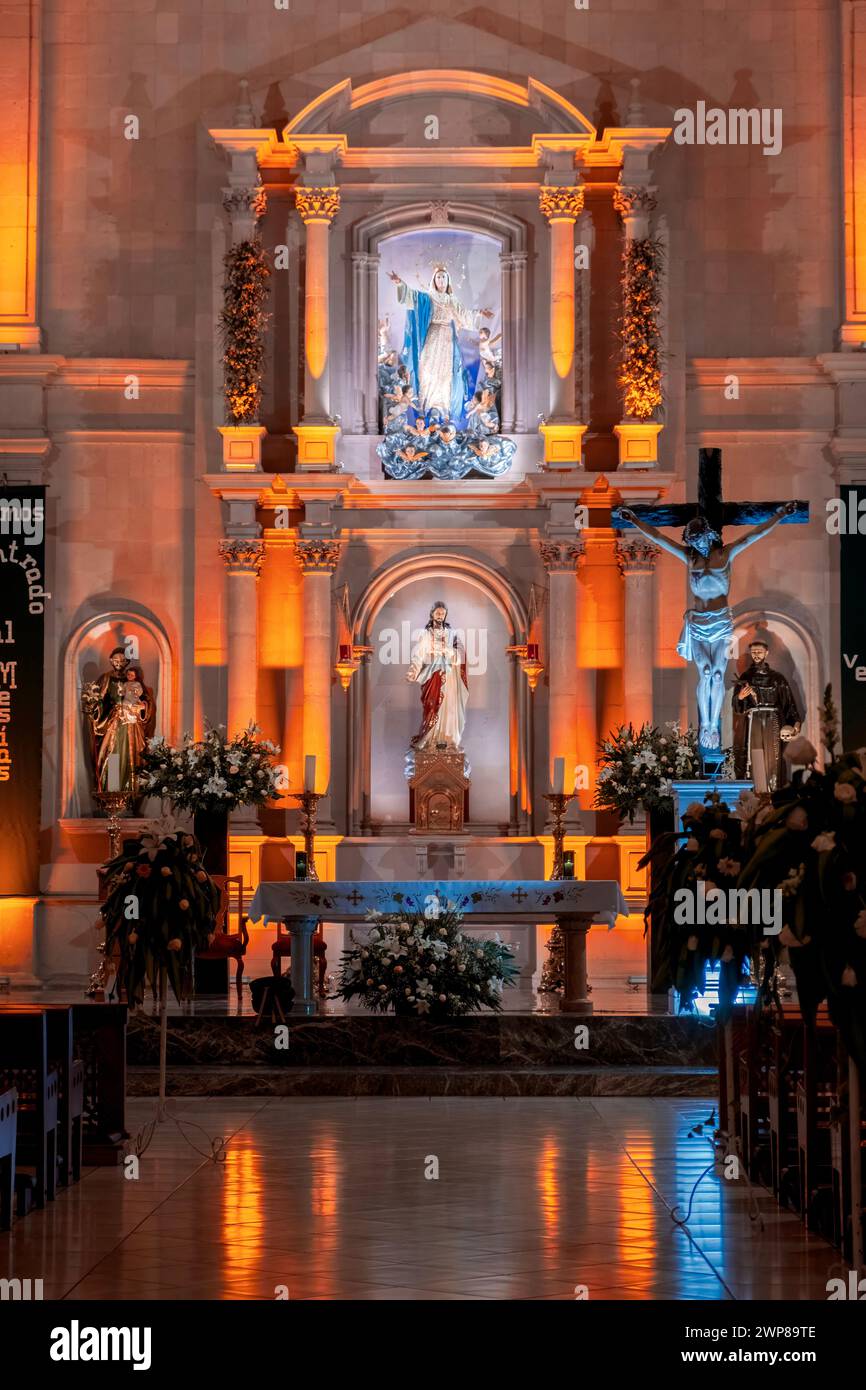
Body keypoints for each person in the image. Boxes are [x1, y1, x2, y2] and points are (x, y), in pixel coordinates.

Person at [617, 502, 797, 751]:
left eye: (700, 541)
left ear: (709, 536)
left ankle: (713, 721)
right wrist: (634, 521)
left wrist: (779, 515)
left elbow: (753, 535)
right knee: (705, 673)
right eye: (693, 542)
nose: (697, 546)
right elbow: (660, 538)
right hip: (698, 623)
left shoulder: (725, 554)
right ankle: (707, 726)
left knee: (716, 674)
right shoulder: (689, 557)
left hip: (721, 623)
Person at [387, 265, 493, 421]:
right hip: (432, 334)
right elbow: (413, 296)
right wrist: (399, 283)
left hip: (447, 339)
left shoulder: (452, 299)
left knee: (446, 373)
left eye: (444, 277)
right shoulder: (428, 297)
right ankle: (427, 407)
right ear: (434, 280)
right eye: (438, 277)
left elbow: (464, 314)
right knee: (427, 370)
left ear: (448, 280)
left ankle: (444, 409)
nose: (441, 280)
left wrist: (479, 312)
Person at [82, 647, 155, 794]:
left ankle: (130, 792)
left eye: (122, 660)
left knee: (131, 755)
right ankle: (113, 792)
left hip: (131, 724)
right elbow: (99, 700)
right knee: (113, 753)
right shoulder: (106, 678)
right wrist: (93, 707)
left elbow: (146, 700)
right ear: (111, 660)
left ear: (127, 662)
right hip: (113, 722)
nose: (119, 663)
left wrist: (142, 706)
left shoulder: (134, 680)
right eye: (116, 660)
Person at [732, 638, 801, 789]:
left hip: (772, 720)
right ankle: (756, 790)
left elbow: (788, 703)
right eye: (754, 652)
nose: (756, 655)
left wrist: (795, 723)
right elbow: (737, 707)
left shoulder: (777, 678)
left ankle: (773, 791)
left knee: (773, 757)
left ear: (766, 653)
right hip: (753, 720)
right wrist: (741, 697)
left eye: (759, 652)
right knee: (753, 755)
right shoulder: (745, 678)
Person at [406, 602, 468, 753]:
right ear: (432, 614)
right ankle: (430, 739)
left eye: (442, 613)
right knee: (432, 704)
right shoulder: (426, 634)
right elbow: (419, 655)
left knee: (449, 705)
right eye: (437, 613)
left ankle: (448, 739)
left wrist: (449, 651)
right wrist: (413, 671)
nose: (440, 615)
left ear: (445, 614)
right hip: (433, 673)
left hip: (450, 675)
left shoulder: (452, 634)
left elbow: (461, 652)